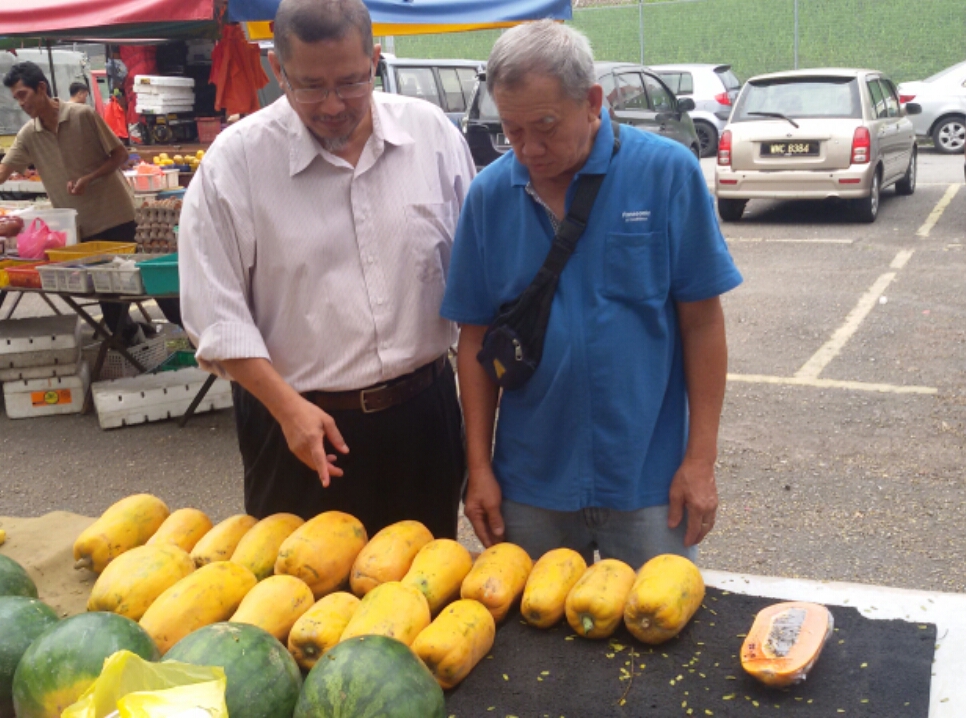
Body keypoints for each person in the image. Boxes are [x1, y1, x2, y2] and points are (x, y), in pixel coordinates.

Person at [441, 21, 743, 568]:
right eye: (512, 130)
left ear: (593, 102)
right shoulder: (489, 196)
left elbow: (702, 323)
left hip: (649, 481)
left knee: (660, 639)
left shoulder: (666, 174)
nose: (529, 148)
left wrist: (700, 460)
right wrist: (480, 468)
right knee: (533, 645)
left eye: (546, 126)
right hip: (530, 484)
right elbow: (475, 339)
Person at [179, 0, 474, 538]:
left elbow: (476, 282)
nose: (334, 105)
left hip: (422, 422)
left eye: (351, 82)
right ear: (276, 70)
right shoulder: (236, 164)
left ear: (375, 60)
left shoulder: (431, 137)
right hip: (296, 429)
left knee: (422, 600)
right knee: (301, 604)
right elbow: (215, 317)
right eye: (310, 86)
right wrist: (287, 409)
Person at [0, 62, 147, 345]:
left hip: (117, 217)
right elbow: (4, 169)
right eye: (16, 98)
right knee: (105, 296)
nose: (21, 103)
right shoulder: (29, 134)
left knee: (127, 290)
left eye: (23, 95)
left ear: (41, 88)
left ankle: (128, 339)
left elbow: (119, 155)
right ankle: (128, 339)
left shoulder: (83, 115)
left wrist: (89, 178)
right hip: (81, 229)